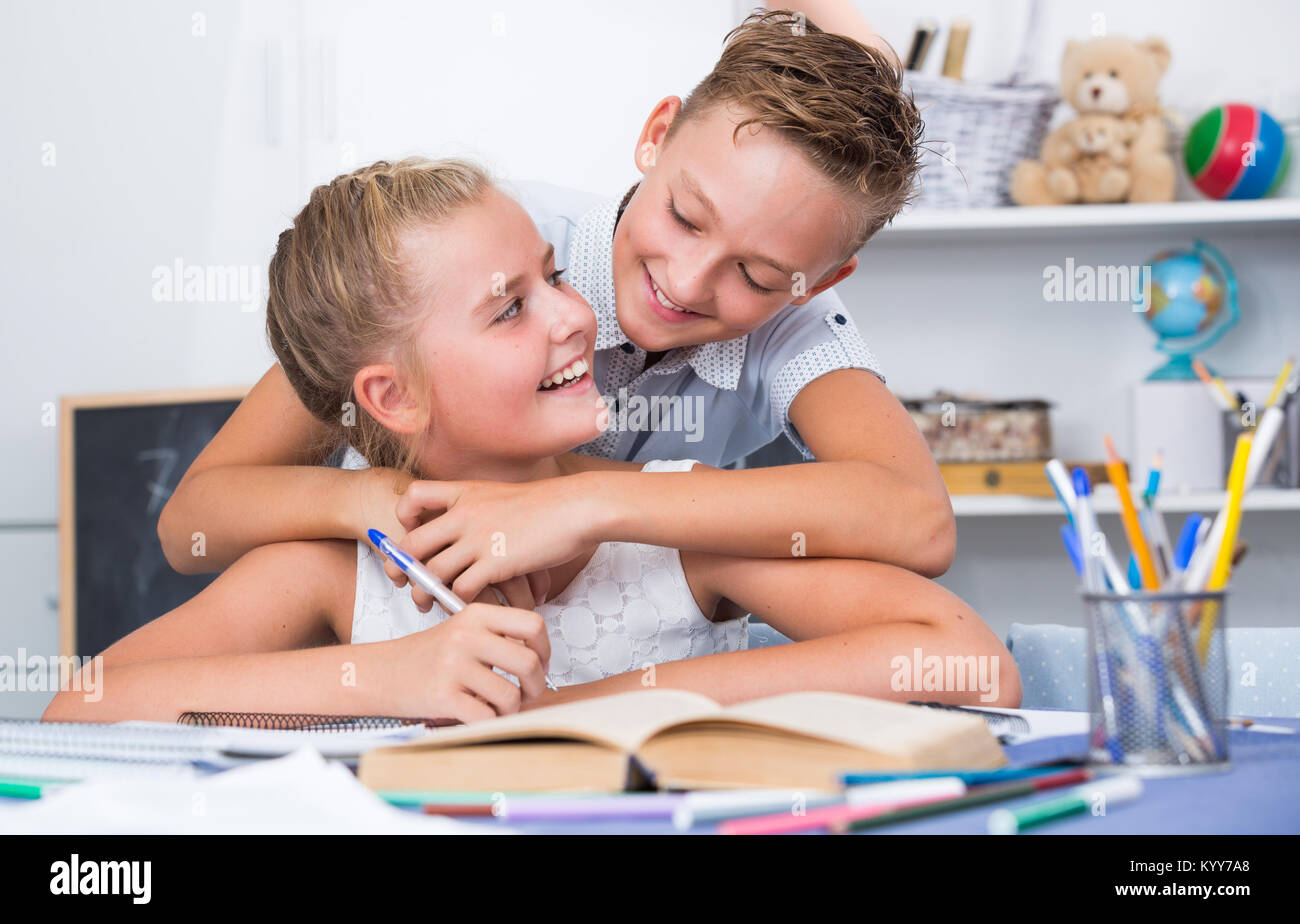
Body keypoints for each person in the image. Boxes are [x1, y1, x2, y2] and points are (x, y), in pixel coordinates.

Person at [45, 158, 1019, 724]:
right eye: (510, 308)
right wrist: (387, 678)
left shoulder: (676, 518)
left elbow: (969, 661)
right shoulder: (329, 571)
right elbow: (80, 707)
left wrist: (605, 704)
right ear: (392, 396)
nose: (573, 317)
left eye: (554, 277)